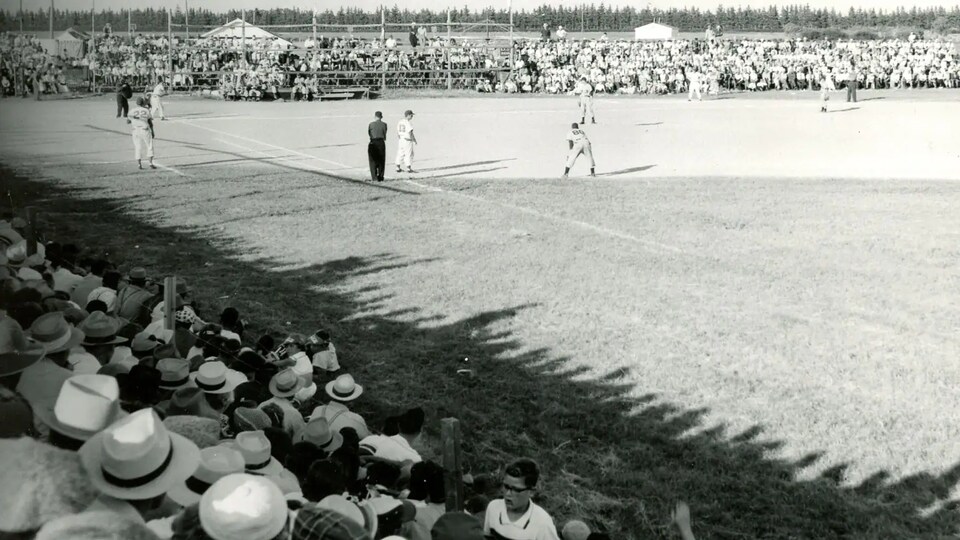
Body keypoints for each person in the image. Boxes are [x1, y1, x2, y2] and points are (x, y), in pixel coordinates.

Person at [483, 458, 560, 540]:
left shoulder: (543, 523)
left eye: (516, 489)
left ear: (531, 492)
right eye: (506, 486)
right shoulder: (493, 508)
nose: (508, 494)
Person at [127, 96, 156, 170]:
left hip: (135, 130)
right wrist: (152, 131)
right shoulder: (146, 110)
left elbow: (128, 121)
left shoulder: (132, 110)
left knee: (138, 147)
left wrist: (134, 119)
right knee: (149, 146)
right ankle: (150, 163)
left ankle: (139, 164)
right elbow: (150, 122)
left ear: (136, 103)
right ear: (143, 103)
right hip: (145, 129)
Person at [368, 111, 388, 182]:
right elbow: (385, 133)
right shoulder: (384, 124)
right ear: (381, 117)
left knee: (373, 160)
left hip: (373, 142)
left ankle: (374, 177)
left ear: (375, 117)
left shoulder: (371, 124)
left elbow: (369, 133)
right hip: (381, 142)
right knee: (381, 160)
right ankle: (381, 176)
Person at [395, 109, 417, 174]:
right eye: (411, 115)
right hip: (407, 140)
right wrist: (414, 140)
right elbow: (410, 133)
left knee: (400, 153)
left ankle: (397, 167)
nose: (412, 117)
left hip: (401, 139)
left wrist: (400, 138)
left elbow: (397, 132)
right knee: (409, 153)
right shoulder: (408, 123)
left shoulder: (400, 121)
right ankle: (408, 168)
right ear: (408, 115)